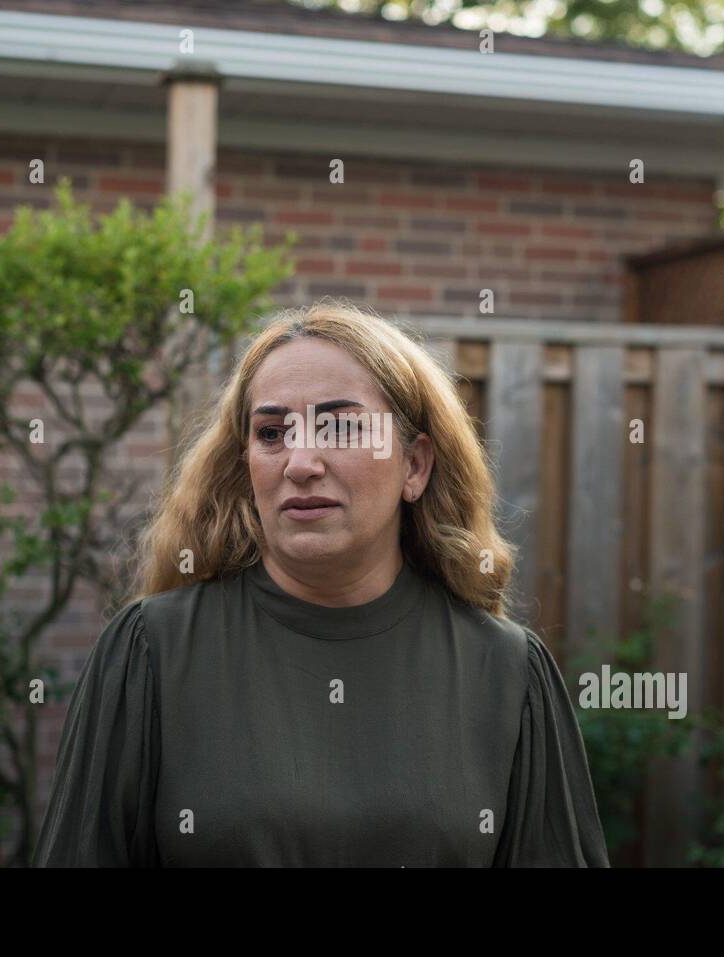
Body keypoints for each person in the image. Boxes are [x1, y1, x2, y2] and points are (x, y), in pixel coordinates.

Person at [32, 300, 609, 867]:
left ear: (415, 466)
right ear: (247, 462)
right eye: (272, 431)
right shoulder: (151, 653)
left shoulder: (506, 672)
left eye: (341, 426)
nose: (300, 461)